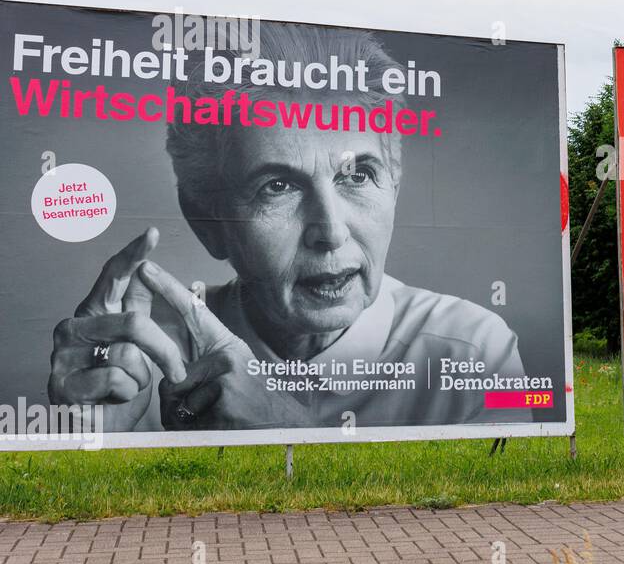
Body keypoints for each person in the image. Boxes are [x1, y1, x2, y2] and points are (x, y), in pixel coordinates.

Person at [47, 24, 527, 431]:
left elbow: (497, 511)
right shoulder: (144, 357)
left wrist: (282, 429)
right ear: (206, 221)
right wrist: (94, 438)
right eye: (277, 186)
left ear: (395, 188)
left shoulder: (476, 345)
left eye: (358, 175)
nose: (330, 232)